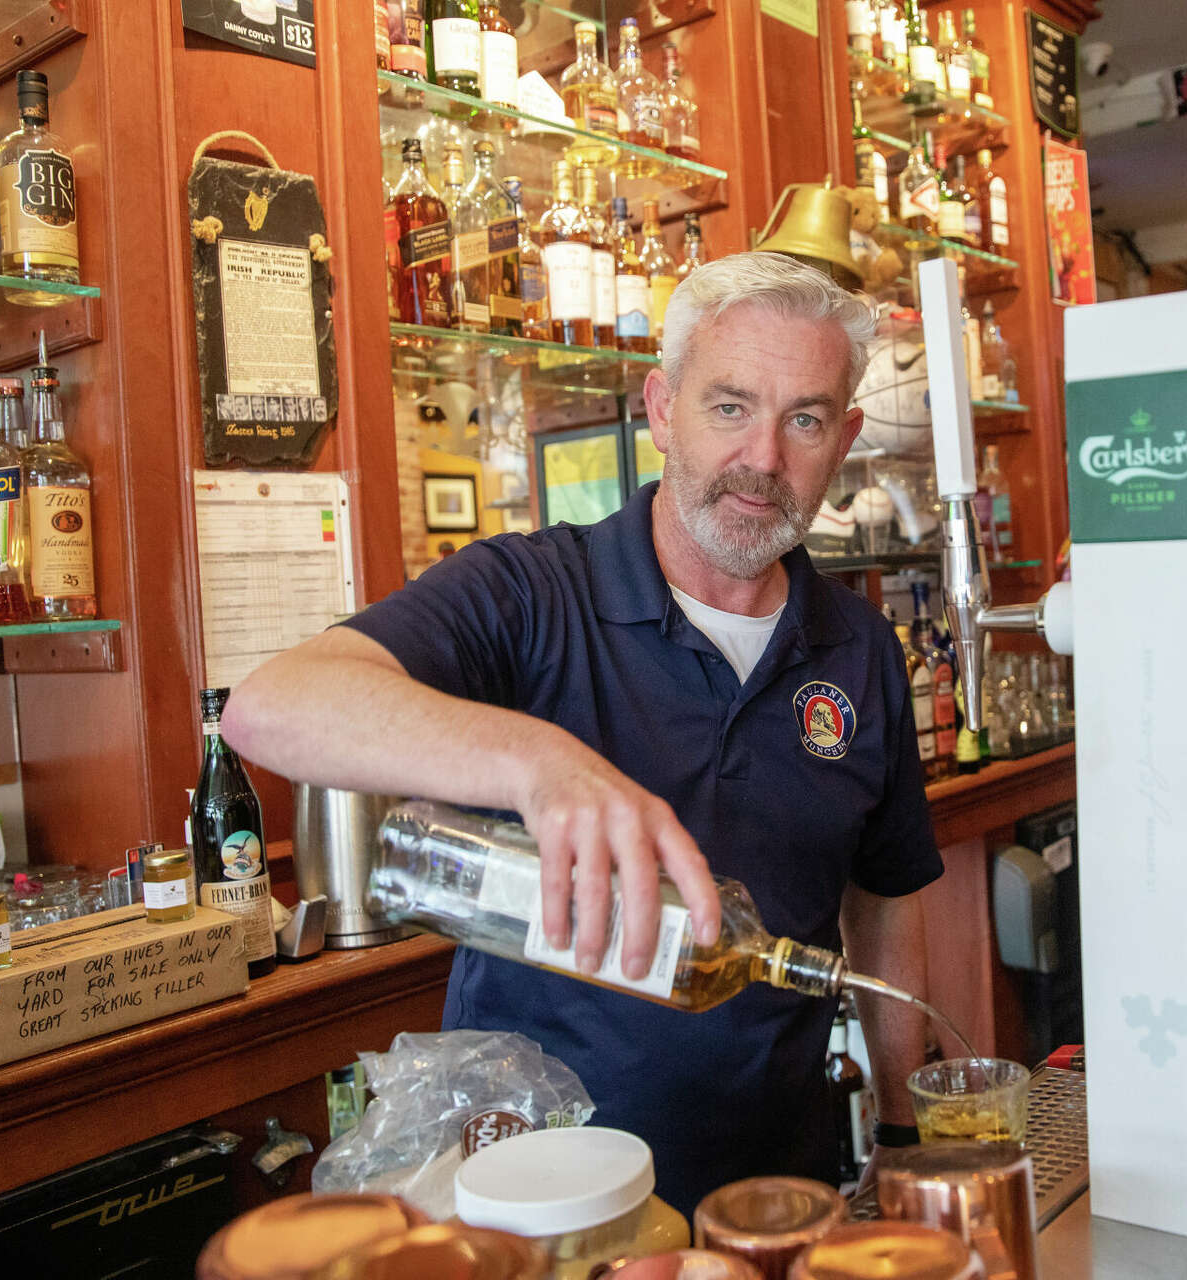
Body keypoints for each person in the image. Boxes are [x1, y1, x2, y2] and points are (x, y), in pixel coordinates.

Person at [223, 252, 940, 1212]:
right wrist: (540, 763)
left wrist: (900, 1137)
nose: (764, 458)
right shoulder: (530, 594)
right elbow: (272, 705)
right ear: (660, 408)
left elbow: (883, 907)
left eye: (803, 419)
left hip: (774, 1198)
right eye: (729, 407)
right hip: (542, 1213)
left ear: (845, 436)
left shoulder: (858, 647)